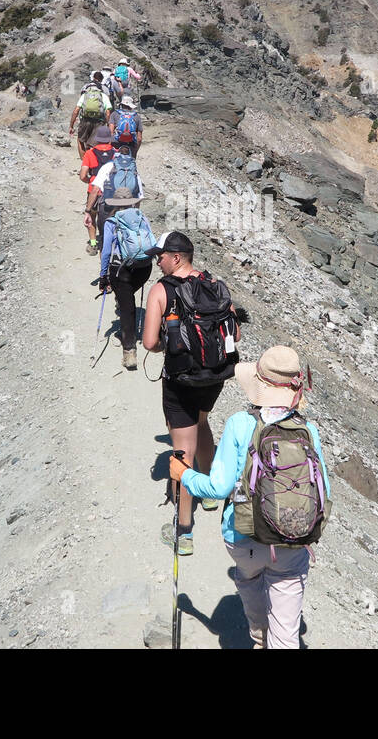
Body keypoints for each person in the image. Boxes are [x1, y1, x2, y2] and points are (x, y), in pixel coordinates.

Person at [169, 345, 328, 649]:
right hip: (292, 544)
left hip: (243, 538)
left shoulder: (240, 424)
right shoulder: (309, 431)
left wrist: (185, 475)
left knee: (249, 579)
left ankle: (259, 636)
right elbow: (325, 494)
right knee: (286, 634)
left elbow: (218, 488)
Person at [141, 232, 240, 556]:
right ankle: (210, 492)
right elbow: (234, 332)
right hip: (214, 377)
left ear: (178, 257)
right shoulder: (214, 284)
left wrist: (173, 348)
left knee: (181, 451)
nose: (158, 260)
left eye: (162, 255)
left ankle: (183, 532)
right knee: (202, 421)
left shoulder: (161, 290)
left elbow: (149, 342)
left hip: (181, 380)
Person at [98, 188, 155, 370]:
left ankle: (129, 352)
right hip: (144, 266)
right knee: (127, 296)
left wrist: (103, 276)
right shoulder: (141, 217)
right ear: (132, 202)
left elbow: (106, 251)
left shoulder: (111, 222)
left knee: (127, 307)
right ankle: (122, 300)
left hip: (121, 269)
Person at [79, 126, 118, 254]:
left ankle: (94, 243)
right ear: (109, 139)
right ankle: (110, 241)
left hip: (94, 189)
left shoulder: (90, 153)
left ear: (97, 139)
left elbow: (83, 175)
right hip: (112, 191)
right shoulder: (116, 153)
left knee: (92, 215)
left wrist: (90, 181)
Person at [69, 71, 112, 160]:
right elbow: (108, 112)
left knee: (80, 140)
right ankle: (94, 164)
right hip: (99, 121)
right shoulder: (103, 94)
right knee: (95, 144)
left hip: (85, 120)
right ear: (101, 80)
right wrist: (108, 124)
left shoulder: (85, 93)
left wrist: (71, 125)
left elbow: (76, 110)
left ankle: (85, 163)